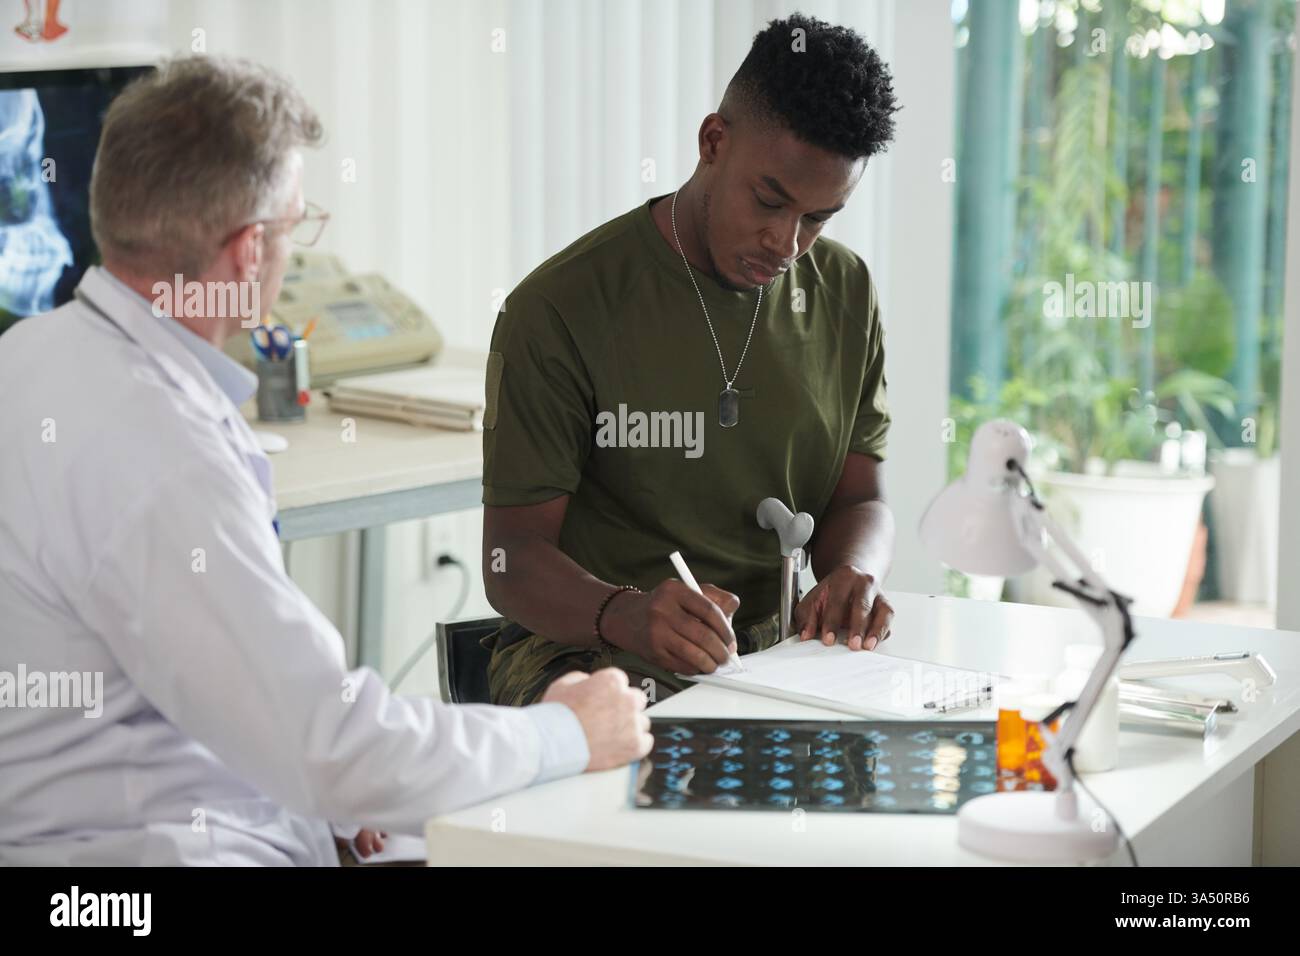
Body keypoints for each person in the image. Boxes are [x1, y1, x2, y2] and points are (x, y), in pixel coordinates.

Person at [0, 55, 650, 867]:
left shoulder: (31, 357)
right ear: (248, 254)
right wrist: (563, 732)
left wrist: (335, 795)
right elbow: (332, 746)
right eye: (296, 226)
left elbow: (242, 699)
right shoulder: (166, 452)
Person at [481, 14, 900, 707]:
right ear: (713, 142)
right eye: (769, 200)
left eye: (819, 217)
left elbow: (861, 498)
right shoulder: (561, 307)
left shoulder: (845, 290)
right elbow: (511, 562)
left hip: (779, 663)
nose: (786, 243)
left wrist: (853, 574)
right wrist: (625, 612)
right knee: (671, 779)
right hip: (591, 656)